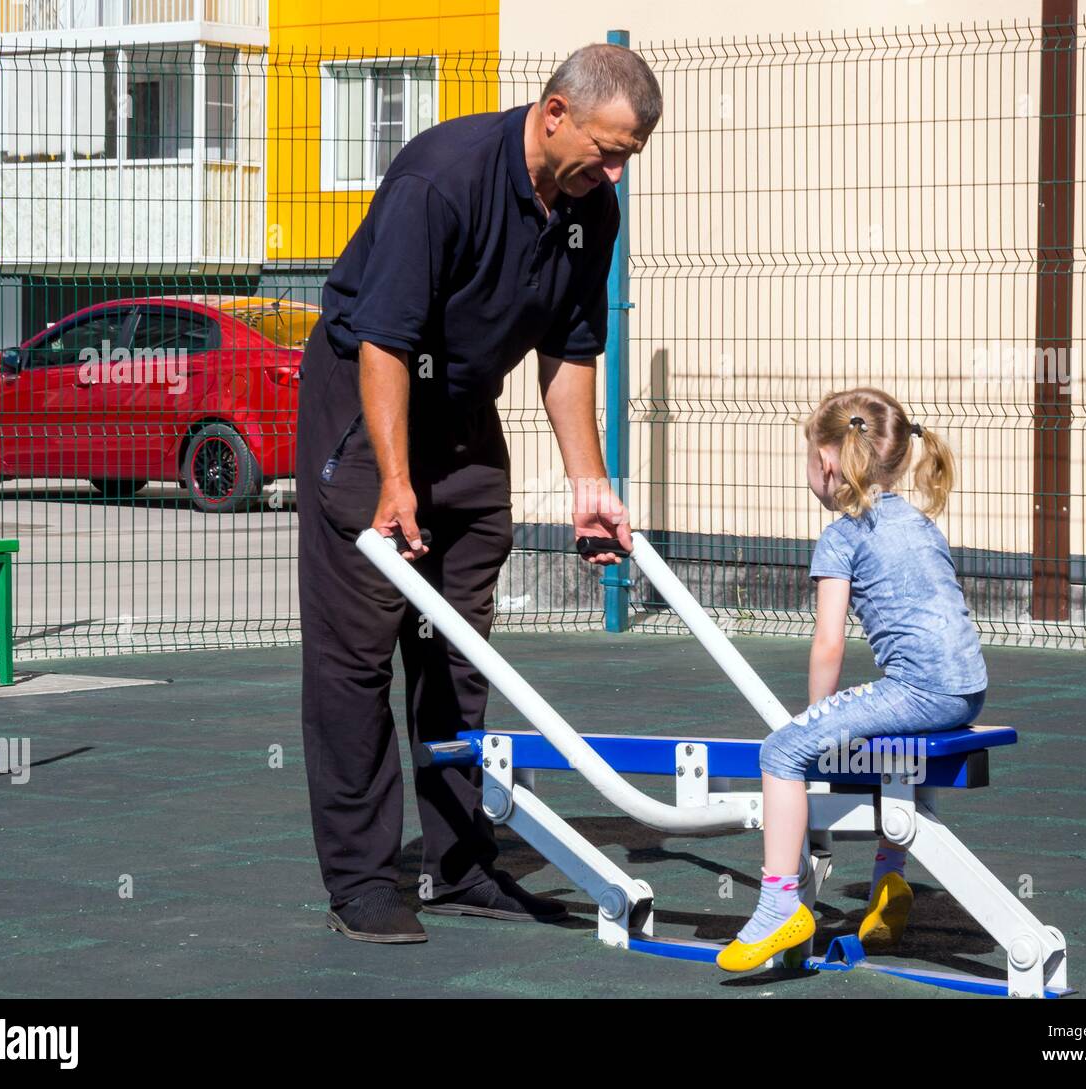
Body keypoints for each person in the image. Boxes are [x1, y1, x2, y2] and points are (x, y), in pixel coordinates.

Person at [296, 44, 661, 944]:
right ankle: (363, 881)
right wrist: (393, 481)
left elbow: (571, 354)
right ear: (554, 114)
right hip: (365, 403)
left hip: (463, 411)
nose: (613, 172)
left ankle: (457, 865)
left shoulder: (590, 206)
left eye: (628, 158)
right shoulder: (442, 177)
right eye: (607, 150)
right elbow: (383, 339)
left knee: (460, 649)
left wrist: (589, 483)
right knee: (357, 653)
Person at [716, 387, 989, 972]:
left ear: (829, 463)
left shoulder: (842, 535)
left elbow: (829, 641)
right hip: (966, 688)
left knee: (782, 751)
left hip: (921, 688)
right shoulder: (919, 522)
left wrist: (812, 723)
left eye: (808, 459)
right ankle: (891, 878)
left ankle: (779, 906)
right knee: (893, 749)